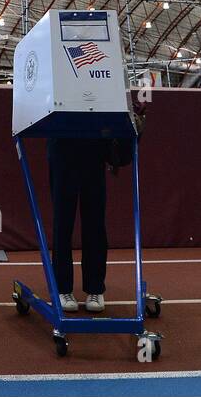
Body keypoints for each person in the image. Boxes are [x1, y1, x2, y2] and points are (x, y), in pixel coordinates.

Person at [45, 93, 147, 314]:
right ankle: (62, 288)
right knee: (63, 222)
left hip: (94, 144)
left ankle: (95, 288)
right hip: (63, 142)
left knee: (95, 223)